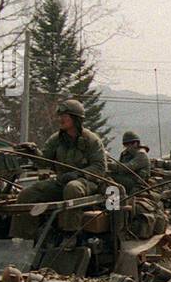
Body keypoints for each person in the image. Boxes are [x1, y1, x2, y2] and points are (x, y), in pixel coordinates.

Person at [13, 98, 107, 237]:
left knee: (72, 188)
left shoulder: (91, 140)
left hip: (87, 183)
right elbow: (44, 162)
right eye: (60, 116)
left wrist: (77, 175)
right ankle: (23, 238)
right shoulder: (56, 139)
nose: (61, 119)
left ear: (76, 119)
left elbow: (99, 168)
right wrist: (32, 153)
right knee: (27, 194)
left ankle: (69, 235)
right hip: (61, 181)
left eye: (65, 116)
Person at [110, 130, 151, 195]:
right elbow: (119, 164)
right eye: (126, 144)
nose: (128, 147)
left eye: (130, 144)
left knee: (110, 177)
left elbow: (127, 167)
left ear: (136, 143)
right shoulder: (125, 154)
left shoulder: (141, 155)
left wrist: (109, 165)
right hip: (126, 179)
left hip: (136, 183)